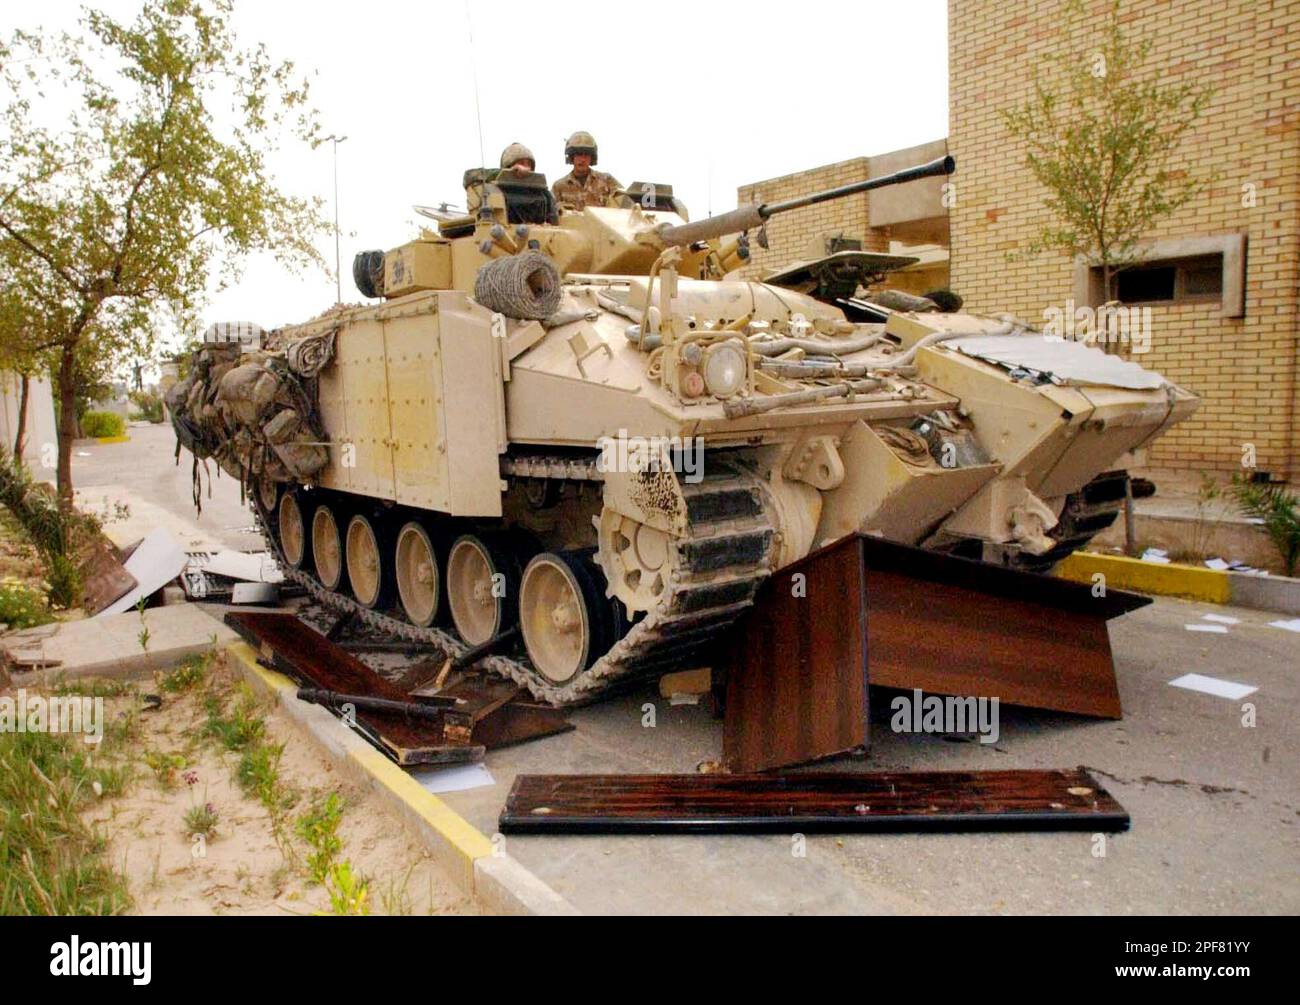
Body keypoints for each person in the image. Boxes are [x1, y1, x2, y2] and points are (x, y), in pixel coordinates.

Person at [551, 131, 623, 211]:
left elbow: (625, 203)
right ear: (572, 157)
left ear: (592, 158)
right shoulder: (559, 187)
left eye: (586, 155)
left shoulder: (607, 180)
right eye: (578, 154)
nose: (582, 160)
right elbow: (550, 213)